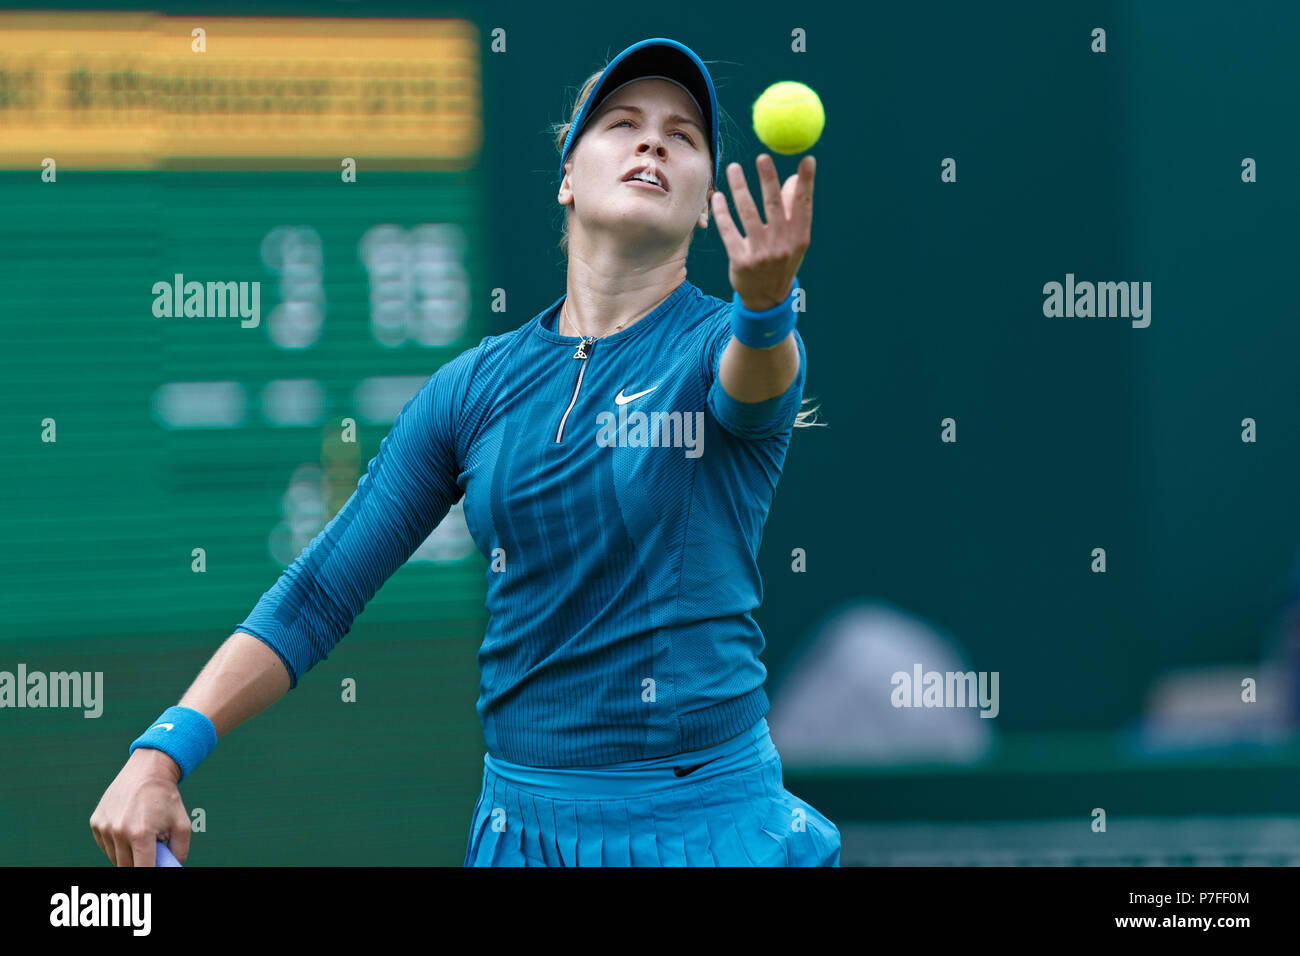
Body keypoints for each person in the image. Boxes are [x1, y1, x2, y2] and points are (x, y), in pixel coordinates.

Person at [89, 36, 840, 867]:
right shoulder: (473, 389)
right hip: (521, 836)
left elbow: (759, 382)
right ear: (566, 176)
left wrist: (766, 308)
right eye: (623, 123)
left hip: (706, 830)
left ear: (705, 204)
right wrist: (161, 753)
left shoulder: (715, 347)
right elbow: (319, 592)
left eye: (684, 135)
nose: (653, 141)